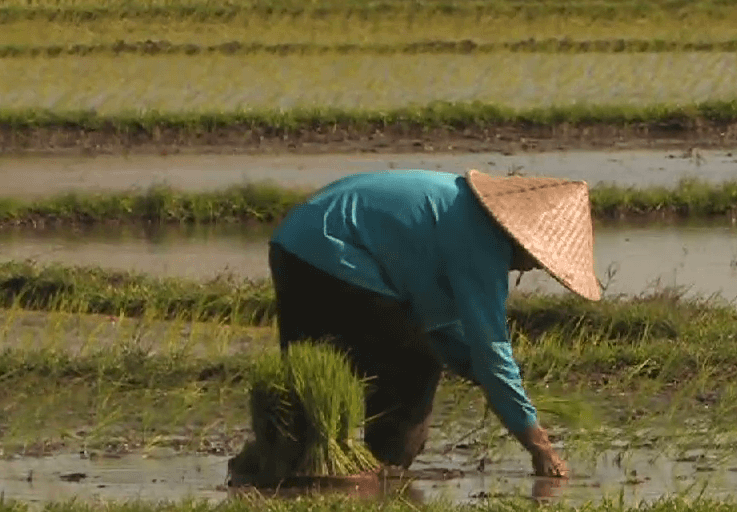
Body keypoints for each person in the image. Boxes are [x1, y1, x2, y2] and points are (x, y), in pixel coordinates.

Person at [252, 169, 600, 479]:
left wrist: (476, 370)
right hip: (334, 253)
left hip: (294, 243)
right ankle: (384, 469)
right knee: (413, 366)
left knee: (306, 372)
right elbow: (491, 348)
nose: (534, 267)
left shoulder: (458, 204)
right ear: (524, 239)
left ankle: (275, 466)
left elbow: (429, 324)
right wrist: (539, 445)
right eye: (539, 258)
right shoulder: (482, 244)